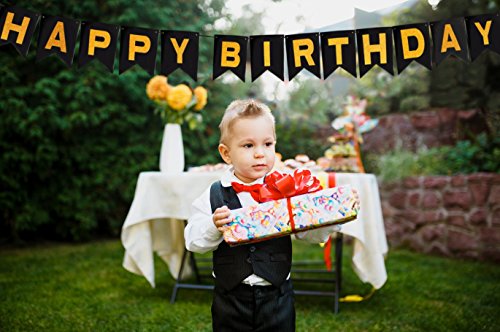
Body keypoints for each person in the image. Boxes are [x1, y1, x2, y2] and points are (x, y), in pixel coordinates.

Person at [184, 99, 342, 332]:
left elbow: (311, 236)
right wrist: (213, 225)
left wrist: (328, 218)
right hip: (230, 297)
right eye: (248, 146)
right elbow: (192, 240)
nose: (260, 154)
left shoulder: (286, 190)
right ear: (226, 154)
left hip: (276, 296)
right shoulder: (214, 193)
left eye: (267, 144)